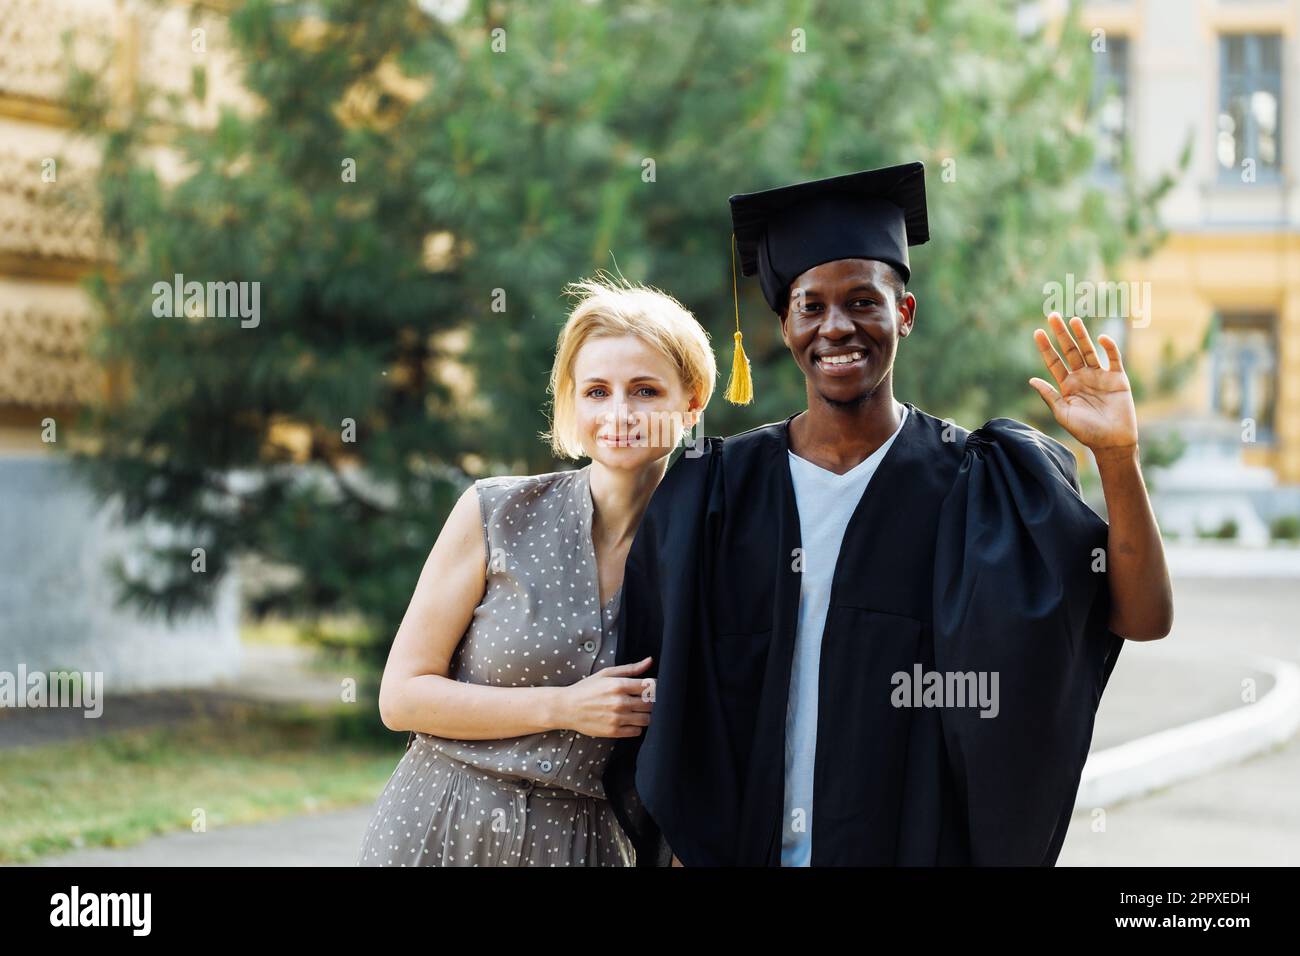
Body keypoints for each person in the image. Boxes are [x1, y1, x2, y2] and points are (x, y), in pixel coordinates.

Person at [602, 161, 1174, 867]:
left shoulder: (982, 485)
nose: (836, 326)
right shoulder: (717, 491)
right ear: (783, 325)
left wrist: (1118, 457)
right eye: (810, 305)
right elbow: (668, 694)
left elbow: (1144, 618)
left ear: (903, 312)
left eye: (863, 301)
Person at [357, 276, 715, 866]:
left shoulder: (710, 553)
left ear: (692, 400)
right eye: (597, 391)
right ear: (572, 401)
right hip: (439, 824)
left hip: (586, 846)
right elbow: (401, 698)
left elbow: (708, 753)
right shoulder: (495, 512)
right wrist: (564, 706)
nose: (619, 413)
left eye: (645, 390)